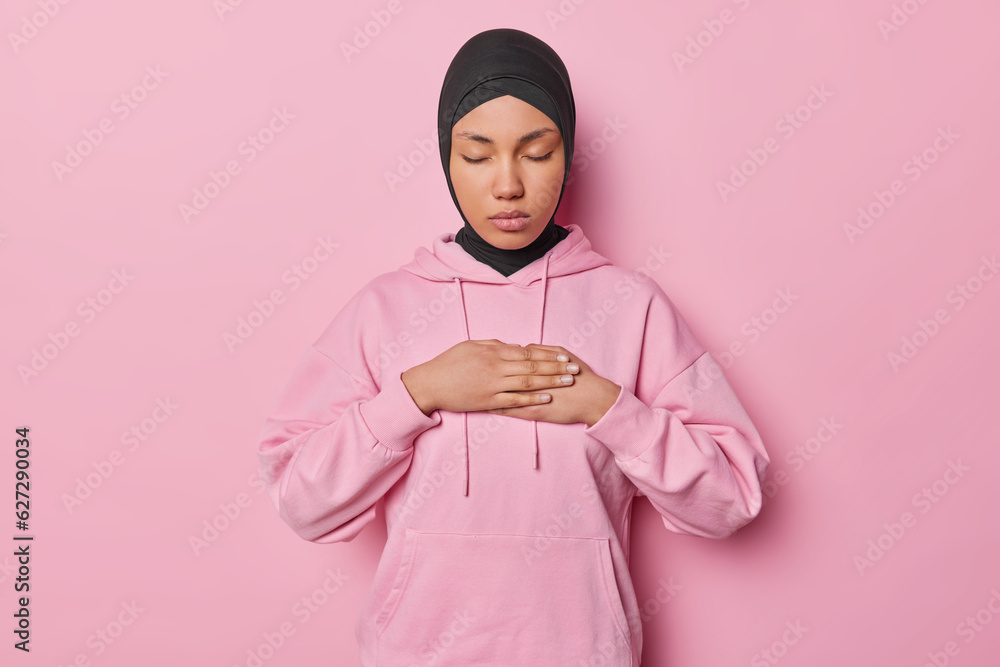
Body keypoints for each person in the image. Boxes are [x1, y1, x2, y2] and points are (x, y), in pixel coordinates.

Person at [256, 27, 769, 667]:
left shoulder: (631, 305)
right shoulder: (384, 309)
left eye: (537, 152)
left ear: (568, 154)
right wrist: (419, 394)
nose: (507, 185)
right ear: (446, 158)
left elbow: (732, 497)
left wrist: (608, 409)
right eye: (477, 155)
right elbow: (301, 501)